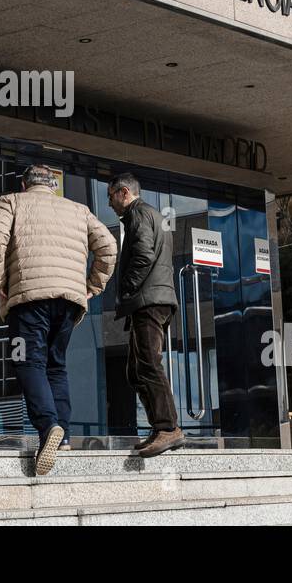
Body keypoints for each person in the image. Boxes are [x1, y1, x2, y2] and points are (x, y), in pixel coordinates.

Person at [0, 164, 117, 475]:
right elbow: (108, 246)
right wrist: (91, 288)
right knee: (55, 365)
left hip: (29, 299)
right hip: (69, 303)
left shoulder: (11, 202)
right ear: (53, 185)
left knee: (26, 363)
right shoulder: (79, 209)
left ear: (23, 184)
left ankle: (48, 428)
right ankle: (65, 435)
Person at [108, 173, 183, 457]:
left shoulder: (139, 214)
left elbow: (143, 256)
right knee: (136, 370)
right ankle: (160, 427)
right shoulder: (151, 215)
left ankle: (168, 428)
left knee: (149, 364)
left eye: (111, 196)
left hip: (148, 300)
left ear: (124, 192)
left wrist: (127, 289)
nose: (110, 203)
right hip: (155, 298)